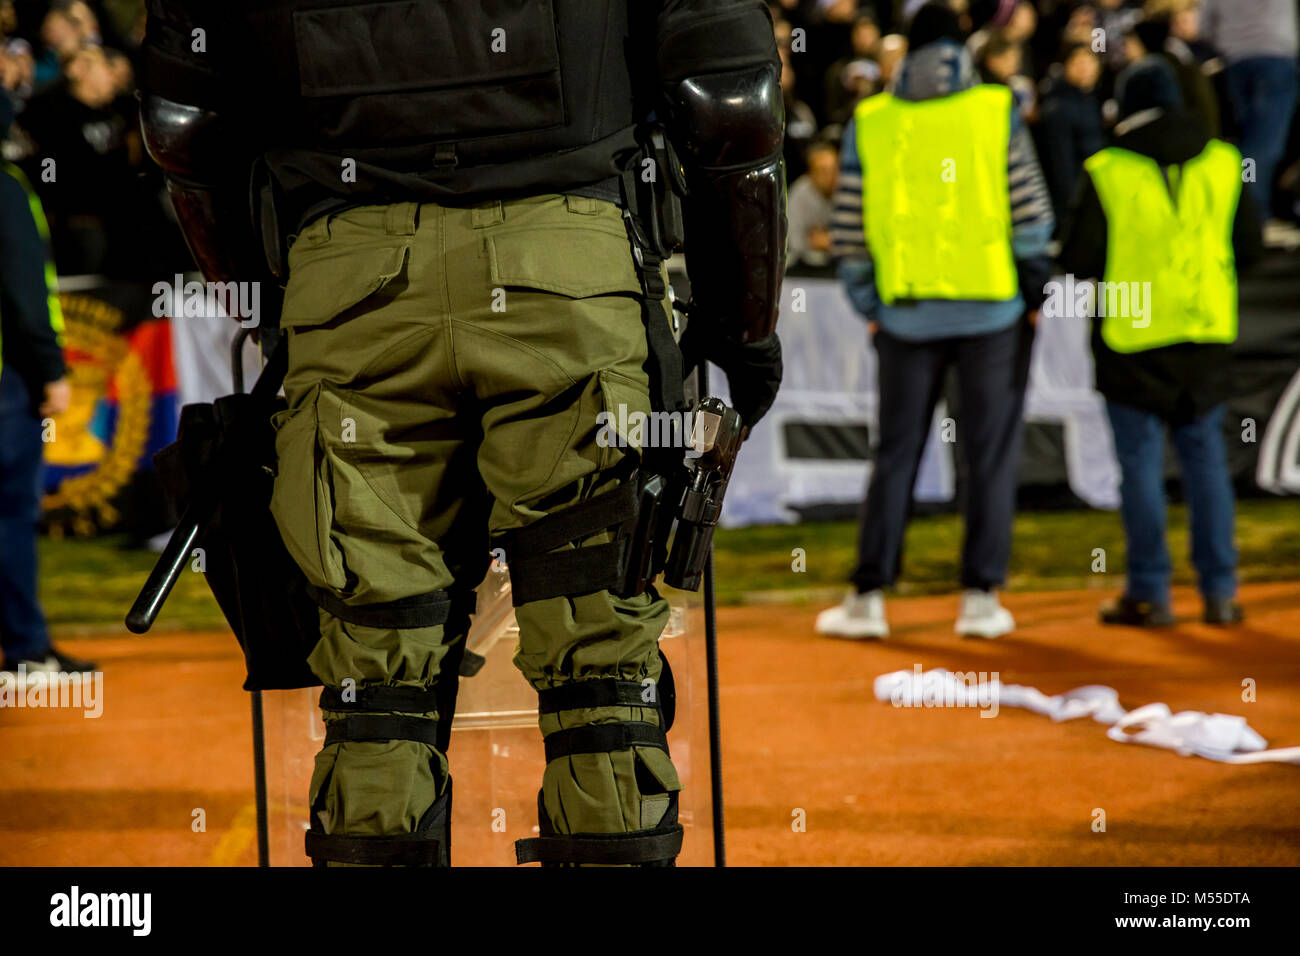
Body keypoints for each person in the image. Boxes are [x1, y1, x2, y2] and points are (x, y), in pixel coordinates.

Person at [138, 0, 785, 867]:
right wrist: (744, 326)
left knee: (376, 683)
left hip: (348, 284)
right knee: (602, 676)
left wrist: (274, 312)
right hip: (568, 280)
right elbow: (731, 102)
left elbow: (184, 127)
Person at [817, 2, 1053, 640]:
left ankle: (867, 598)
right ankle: (980, 597)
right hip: (992, 311)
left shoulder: (871, 120)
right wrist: (1033, 288)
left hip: (906, 316)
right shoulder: (994, 108)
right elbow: (1029, 206)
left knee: (894, 454)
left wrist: (870, 301)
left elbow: (848, 223)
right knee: (990, 456)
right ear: (961, 52)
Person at [1058, 57, 1263, 627]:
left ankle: (1151, 594)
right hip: (1204, 332)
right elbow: (1250, 245)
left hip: (1132, 338)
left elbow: (1078, 258)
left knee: (1141, 470)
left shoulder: (1106, 168)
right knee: (1207, 466)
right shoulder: (1225, 161)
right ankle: (1220, 593)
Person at [0, 93, 94, 681]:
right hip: (5, 385)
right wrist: (52, 370)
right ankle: (28, 649)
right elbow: (25, 291)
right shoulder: (6, 187)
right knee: (10, 512)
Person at [1200, 0, 1299, 221]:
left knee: (1250, 143)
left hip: (1236, 62)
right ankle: (1252, 217)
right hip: (1275, 60)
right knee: (1261, 147)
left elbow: (1204, 26)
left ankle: (1247, 213)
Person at [1037, 42, 1105, 226]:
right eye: (1078, 63)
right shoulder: (1058, 108)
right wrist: (1074, 210)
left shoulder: (1091, 100)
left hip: (1095, 195)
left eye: (1090, 62)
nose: (1085, 69)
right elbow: (1061, 166)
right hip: (1074, 207)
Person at [787, 139, 839, 270]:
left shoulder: (847, 191)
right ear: (811, 173)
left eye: (833, 170)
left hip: (840, 266)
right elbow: (794, 242)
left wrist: (827, 242)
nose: (830, 176)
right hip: (807, 269)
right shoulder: (799, 194)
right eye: (823, 170)